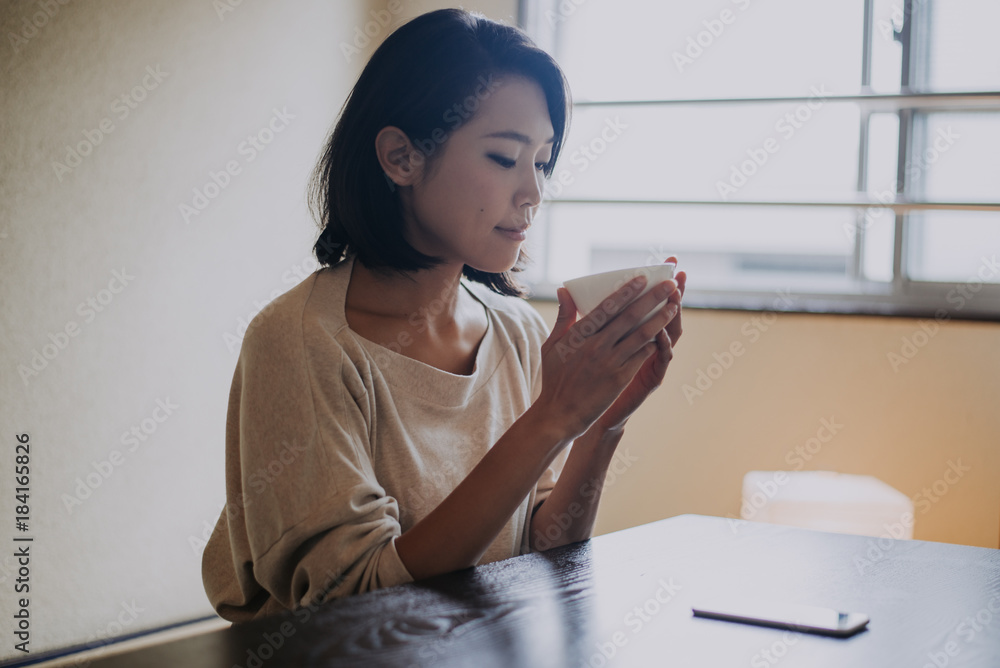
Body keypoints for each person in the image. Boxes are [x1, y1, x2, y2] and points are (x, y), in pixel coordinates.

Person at [201, 7, 686, 623]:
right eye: (504, 158)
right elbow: (358, 604)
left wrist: (600, 423)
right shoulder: (302, 343)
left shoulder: (514, 330)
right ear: (401, 158)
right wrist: (551, 416)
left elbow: (537, 549)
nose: (533, 193)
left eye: (542, 162)